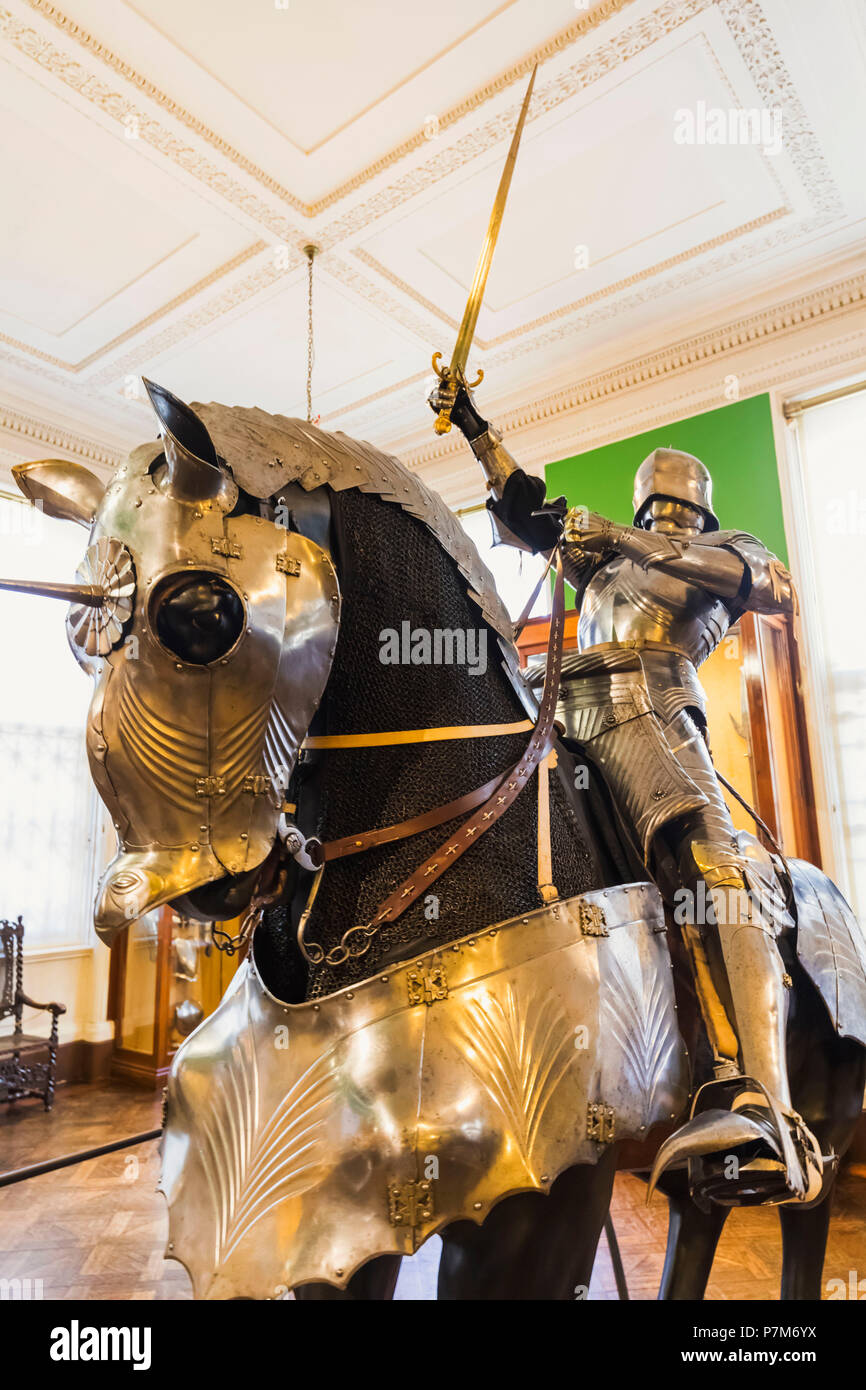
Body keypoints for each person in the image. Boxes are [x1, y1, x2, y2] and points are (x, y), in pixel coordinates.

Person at [433, 381, 824, 1207]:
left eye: (666, 513)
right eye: (650, 515)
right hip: (560, 711)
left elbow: (770, 587)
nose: (659, 520)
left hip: (651, 712)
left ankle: (761, 1104)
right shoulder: (605, 558)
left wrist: (618, 535)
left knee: (712, 863)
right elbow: (529, 511)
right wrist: (475, 424)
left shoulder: (724, 554)